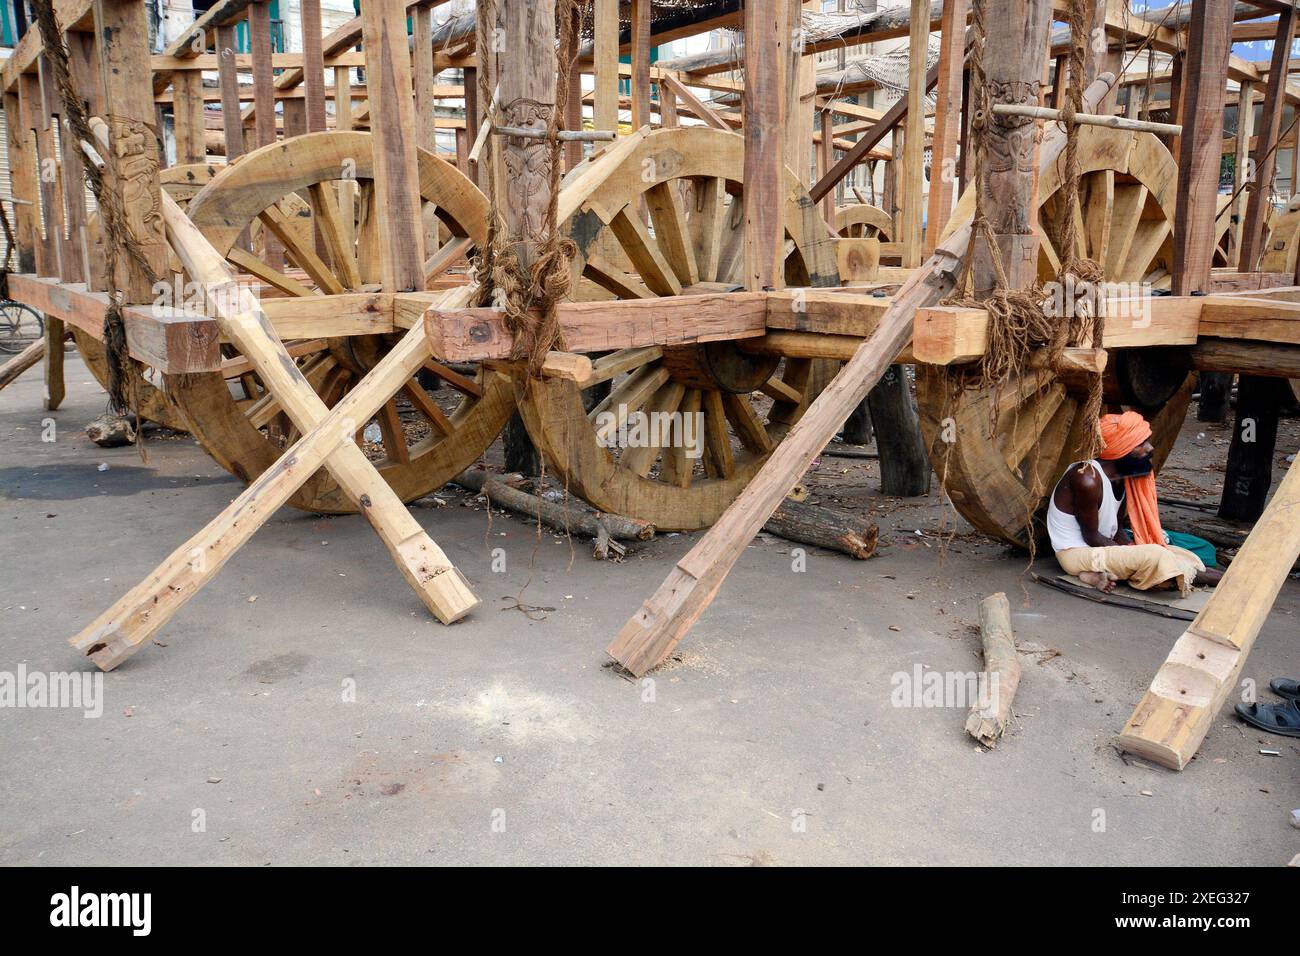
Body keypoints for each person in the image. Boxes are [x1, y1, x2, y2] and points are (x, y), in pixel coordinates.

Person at [1046, 410, 1223, 594]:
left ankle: (1096, 574)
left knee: (1184, 554)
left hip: (1101, 547)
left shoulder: (1122, 477)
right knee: (1157, 557)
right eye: (1140, 444)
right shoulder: (1087, 479)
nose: (1150, 449)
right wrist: (1132, 553)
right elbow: (1091, 536)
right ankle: (1227, 580)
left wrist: (1133, 549)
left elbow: (1118, 529)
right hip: (1075, 553)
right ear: (1120, 450)